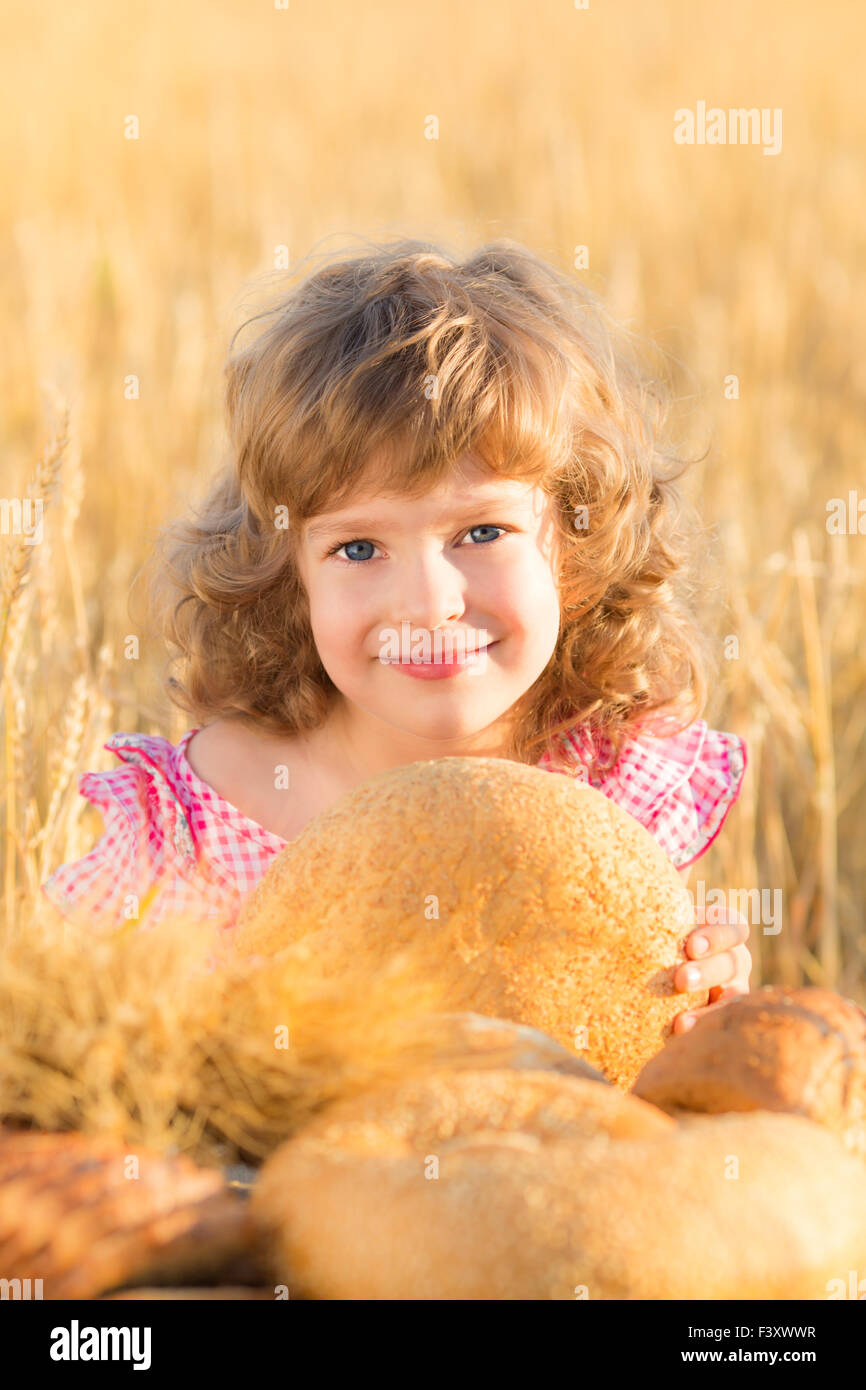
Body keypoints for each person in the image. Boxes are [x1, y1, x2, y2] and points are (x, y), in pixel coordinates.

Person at [41, 236, 751, 1023]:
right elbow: (90, 1071)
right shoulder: (194, 831)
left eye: (481, 533)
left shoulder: (612, 793)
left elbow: (617, 1061)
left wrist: (702, 1006)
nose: (427, 602)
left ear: (575, 547)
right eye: (358, 547)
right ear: (290, 576)